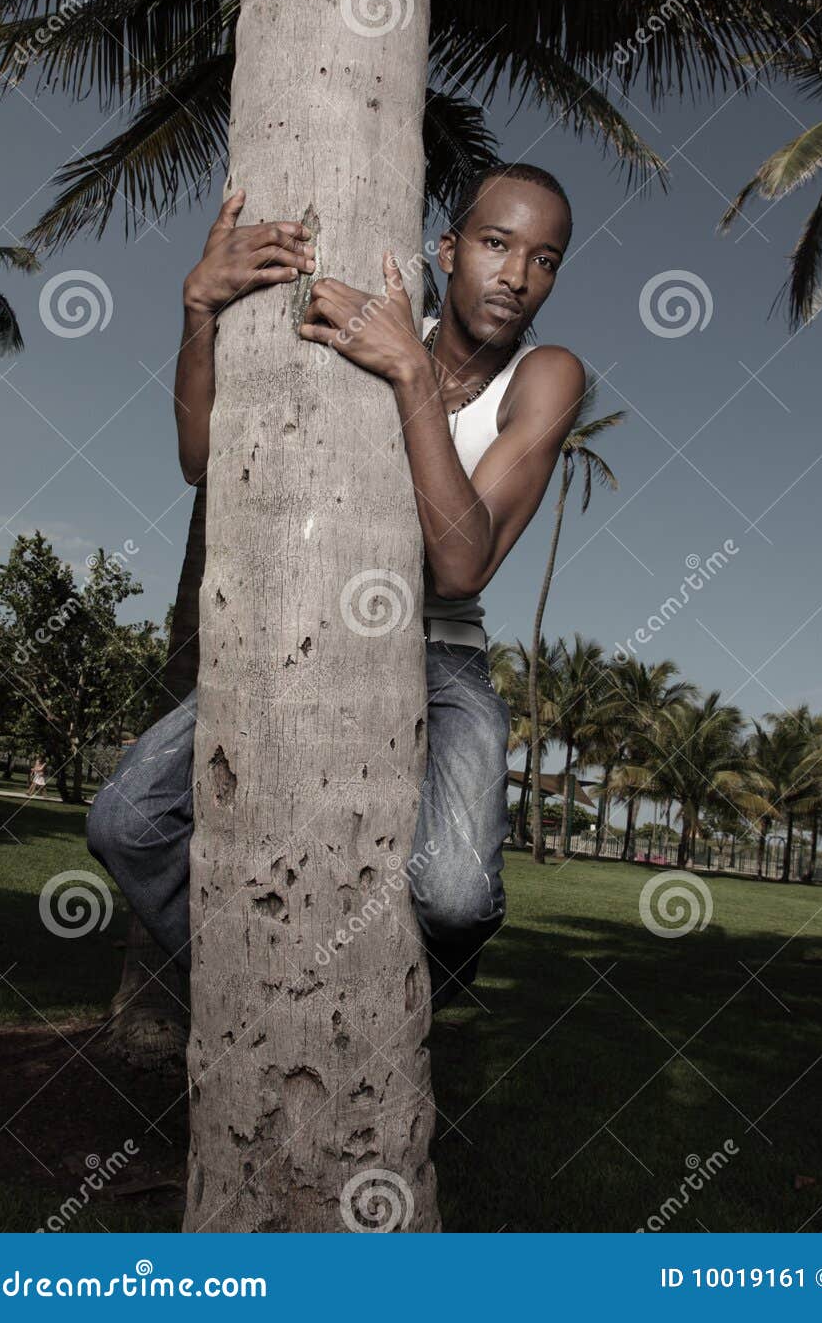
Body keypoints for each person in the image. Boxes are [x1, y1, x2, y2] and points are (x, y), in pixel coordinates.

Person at [87, 163, 584, 1011]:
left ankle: (411, 1000)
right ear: (448, 249)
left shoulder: (543, 375)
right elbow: (201, 460)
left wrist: (410, 374)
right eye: (495, 244)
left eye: (544, 260)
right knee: (125, 822)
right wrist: (198, 308)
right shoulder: (375, 324)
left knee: (456, 900)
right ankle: (263, 991)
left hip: (440, 655)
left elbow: (461, 566)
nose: (515, 275)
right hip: (307, 630)